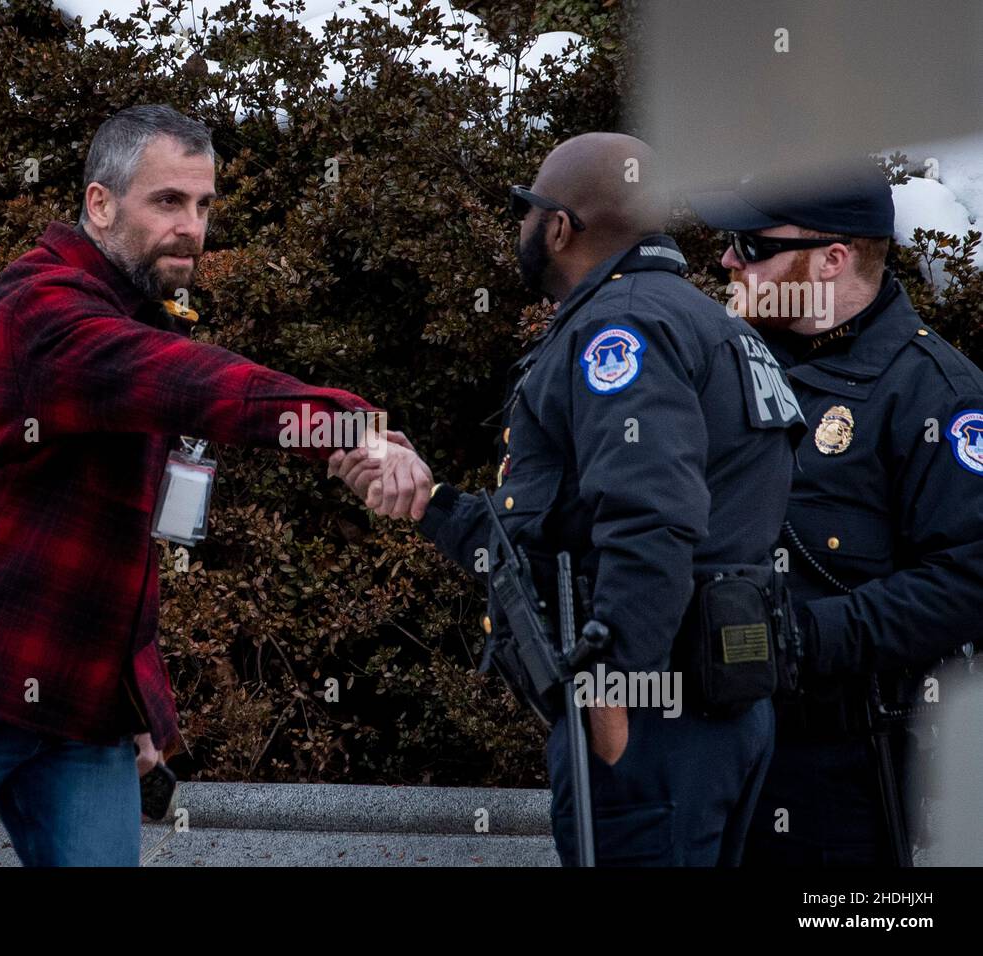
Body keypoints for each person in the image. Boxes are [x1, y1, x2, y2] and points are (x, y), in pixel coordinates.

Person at [0, 104, 431, 866]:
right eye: (167, 201)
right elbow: (203, 387)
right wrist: (352, 427)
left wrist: (136, 701)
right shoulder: (41, 309)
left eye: (203, 204)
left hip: (78, 712)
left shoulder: (143, 318)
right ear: (100, 204)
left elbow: (120, 545)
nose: (191, 227)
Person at [334, 133, 806, 865]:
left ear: (559, 226)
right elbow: (554, 532)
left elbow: (653, 516)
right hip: (710, 711)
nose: (521, 225)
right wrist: (431, 502)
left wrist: (614, 684)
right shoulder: (703, 321)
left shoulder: (620, 330)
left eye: (527, 208)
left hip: (653, 725)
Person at [689, 160, 983, 865]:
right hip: (706, 750)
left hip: (838, 769)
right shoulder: (723, 369)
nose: (728, 259)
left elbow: (968, 581)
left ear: (832, 260)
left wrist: (798, 639)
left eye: (754, 245)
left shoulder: (936, 396)